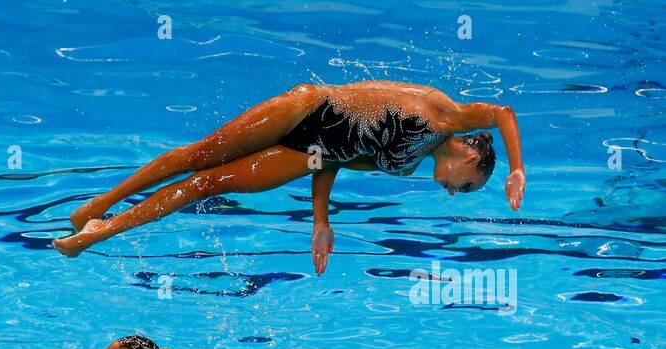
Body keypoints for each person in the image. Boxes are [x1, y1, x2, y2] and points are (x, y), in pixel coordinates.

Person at [54, 80, 525, 272]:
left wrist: (321, 222)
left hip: (313, 152)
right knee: (200, 156)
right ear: (470, 159)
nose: (452, 191)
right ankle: (98, 204)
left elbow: (335, 159)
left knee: (208, 185)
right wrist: (518, 170)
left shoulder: (405, 163)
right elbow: (503, 112)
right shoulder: (447, 117)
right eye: (465, 186)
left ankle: (99, 232)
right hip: (306, 108)